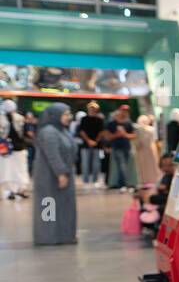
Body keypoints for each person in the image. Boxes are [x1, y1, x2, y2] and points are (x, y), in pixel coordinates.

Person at [32, 102, 77, 246]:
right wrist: (61, 173)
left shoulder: (61, 130)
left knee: (64, 207)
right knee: (48, 206)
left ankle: (65, 236)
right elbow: (53, 155)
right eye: (65, 114)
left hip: (63, 176)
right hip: (49, 179)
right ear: (55, 115)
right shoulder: (49, 132)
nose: (68, 117)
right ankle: (47, 237)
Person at [103, 104, 137, 191]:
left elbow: (134, 135)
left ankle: (124, 183)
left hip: (127, 147)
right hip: (116, 147)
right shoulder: (111, 123)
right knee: (120, 166)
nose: (124, 113)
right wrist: (117, 135)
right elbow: (107, 136)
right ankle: (122, 184)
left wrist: (125, 135)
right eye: (123, 111)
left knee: (126, 166)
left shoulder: (128, 123)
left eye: (126, 111)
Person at [0, 99, 29, 200]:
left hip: (12, 149)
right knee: (14, 170)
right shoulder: (19, 118)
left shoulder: (18, 118)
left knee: (11, 170)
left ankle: (17, 190)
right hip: (10, 149)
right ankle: (16, 190)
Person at [76, 101, 105, 185]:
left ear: (96, 110)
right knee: (85, 163)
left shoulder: (100, 119)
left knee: (96, 164)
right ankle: (85, 181)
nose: (92, 110)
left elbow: (101, 132)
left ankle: (95, 180)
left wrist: (95, 141)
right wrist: (88, 141)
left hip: (97, 145)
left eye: (94, 108)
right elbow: (82, 131)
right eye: (91, 108)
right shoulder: (84, 119)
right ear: (88, 109)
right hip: (86, 145)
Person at [133, 113, 161, 189]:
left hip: (142, 150)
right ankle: (153, 179)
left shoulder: (139, 130)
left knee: (143, 166)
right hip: (151, 149)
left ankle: (145, 180)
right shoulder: (151, 129)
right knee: (152, 165)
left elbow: (137, 142)